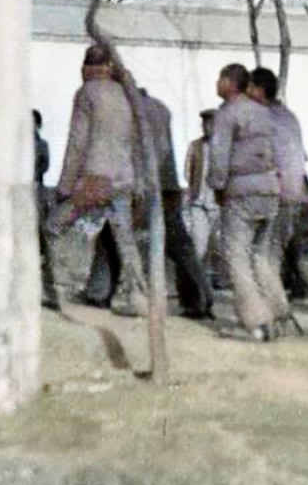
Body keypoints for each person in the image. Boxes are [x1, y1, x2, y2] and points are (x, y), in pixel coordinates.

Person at [52, 45, 149, 318]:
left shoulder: (87, 93)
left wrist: (65, 185)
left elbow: (77, 142)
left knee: (54, 226)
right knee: (122, 239)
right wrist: (138, 183)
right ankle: (132, 295)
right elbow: (137, 143)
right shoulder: (127, 95)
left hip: (95, 179)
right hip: (124, 179)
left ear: (87, 67)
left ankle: (56, 288)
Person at [208, 62, 283, 342]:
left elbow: (219, 157)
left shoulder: (227, 114)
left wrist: (217, 186)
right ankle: (277, 312)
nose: (217, 84)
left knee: (237, 256)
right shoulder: (264, 112)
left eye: (220, 78)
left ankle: (256, 322)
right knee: (261, 255)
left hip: (242, 192)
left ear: (230, 83)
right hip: (270, 190)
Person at [139, 86, 215, 321]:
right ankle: (201, 298)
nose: (207, 127)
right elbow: (187, 170)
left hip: (149, 188)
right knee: (186, 249)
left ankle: (101, 292)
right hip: (175, 191)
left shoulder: (133, 111)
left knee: (185, 249)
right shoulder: (162, 111)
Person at [246, 68, 308, 336]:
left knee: (261, 257)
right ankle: (279, 314)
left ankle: (279, 315)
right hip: (294, 193)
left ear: (259, 90)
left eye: (250, 88)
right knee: (272, 257)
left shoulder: (262, 118)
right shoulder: (289, 116)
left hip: (275, 192)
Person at [185, 109, 219, 277]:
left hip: (219, 204)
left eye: (210, 123)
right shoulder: (195, 146)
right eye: (204, 123)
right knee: (199, 245)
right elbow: (187, 171)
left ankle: (213, 279)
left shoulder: (225, 147)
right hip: (198, 202)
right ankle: (197, 280)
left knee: (218, 245)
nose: (206, 127)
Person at [33, 109, 59, 310]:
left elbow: (45, 167)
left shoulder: (42, 145)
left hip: (35, 191)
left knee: (40, 241)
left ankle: (48, 292)